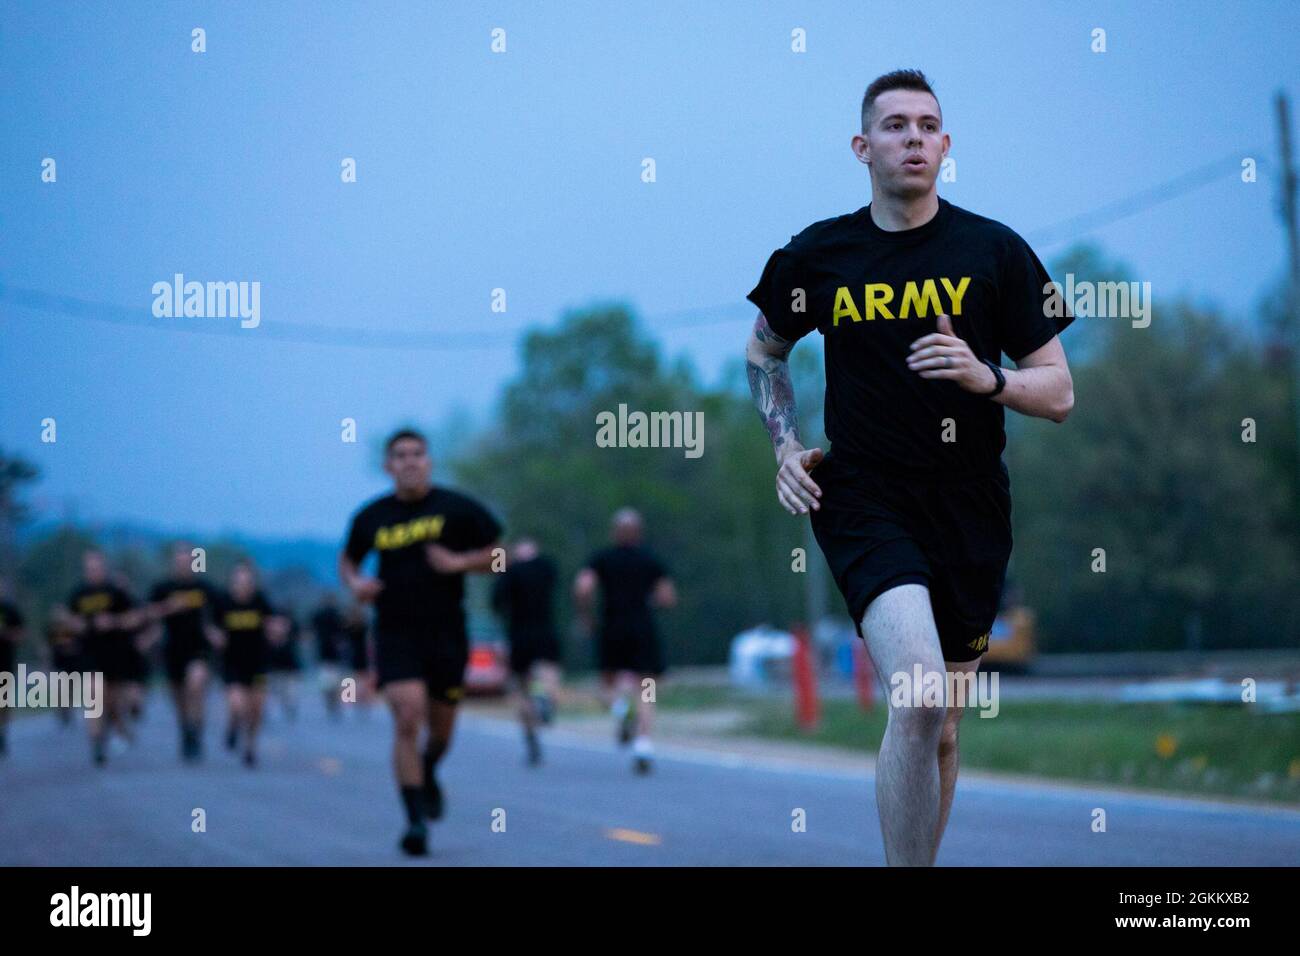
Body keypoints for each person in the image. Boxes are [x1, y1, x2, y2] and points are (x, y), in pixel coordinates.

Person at [743, 69, 1073, 865]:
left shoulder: (996, 249)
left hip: (968, 507)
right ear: (864, 147)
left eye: (928, 125)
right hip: (863, 495)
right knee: (921, 697)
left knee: (944, 724)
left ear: (947, 146)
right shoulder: (819, 254)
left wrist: (983, 377)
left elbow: (1059, 390)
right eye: (895, 126)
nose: (913, 138)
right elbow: (764, 350)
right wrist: (784, 444)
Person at [339, 428, 503, 856]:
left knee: (442, 733)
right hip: (395, 632)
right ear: (388, 467)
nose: (410, 462)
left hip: (447, 633)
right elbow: (348, 559)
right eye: (400, 456)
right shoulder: (371, 517)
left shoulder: (457, 508)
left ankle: (429, 769)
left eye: (417, 454)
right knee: (407, 718)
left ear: (429, 462)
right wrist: (356, 583)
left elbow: (500, 556)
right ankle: (415, 823)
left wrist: (460, 562)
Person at [574, 508, 676, 775]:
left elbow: (583, 588)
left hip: (612, 627)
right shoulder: (650, 560)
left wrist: (586, 616)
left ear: (614, 532)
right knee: (647, 687)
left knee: (608, 683)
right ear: (639, 533)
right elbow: (667, 597)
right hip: (642, 627)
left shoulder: (602, 559)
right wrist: (649, 603)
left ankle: (620, 710)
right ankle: (643, 744)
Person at [56, 550, 143, 765]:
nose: (93, 572)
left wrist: (113, 621)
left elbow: (135, 618)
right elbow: (67, 620)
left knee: (111, 703)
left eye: (97, 567)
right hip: (88, 654)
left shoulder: (116, 592)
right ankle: (96, 743)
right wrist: (74, 625)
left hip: (114, 654)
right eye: (89, 568)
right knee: (94, 695)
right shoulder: (78, 594)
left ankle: (113, 729)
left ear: (104, 568)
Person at [490, 537, 562, 766]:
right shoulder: (547, 566)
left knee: (521, 689)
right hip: (545, 629)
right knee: (548, 671)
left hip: (518, 634)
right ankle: (546, 699)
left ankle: (531, 738)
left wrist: (501, 561)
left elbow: (496, 602)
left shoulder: (509, 571)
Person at [211, 561, 288, 768]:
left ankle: (250, 747)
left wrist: (278, 629)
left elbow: (274, 622)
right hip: (232, 662)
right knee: (238, 705)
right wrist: (215, 636)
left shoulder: (260, 601)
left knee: (257, 708)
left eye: (247, 581)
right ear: (232, 582)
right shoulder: (224, 602)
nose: (243, 585)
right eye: (239, 581)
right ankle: (233, 727)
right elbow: (211, 625)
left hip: (258, 662)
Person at [147, 542, 219, 761]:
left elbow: (221, 611)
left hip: (198, 649)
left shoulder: (204, 588)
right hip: (172, 649)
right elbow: (146, 614)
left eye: (188, 561)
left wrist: (215, 632)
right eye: (179, 561)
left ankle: (196, 730)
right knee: (179, 698)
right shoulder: (163, 589)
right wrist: (170, 606)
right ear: (173, 563)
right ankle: (186, 730)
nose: (184, 565)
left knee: (195, 685)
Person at [309, 593, 347, 719]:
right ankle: (333, 703)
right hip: (328, 655)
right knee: (331, 683)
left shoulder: (327, 615)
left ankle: (332, 703)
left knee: (330, 683)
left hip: (328, 655)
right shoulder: (333, 615)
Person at [0, 580, 25, 757]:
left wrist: (7, 634)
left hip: (5, 661)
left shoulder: (10, 609)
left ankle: (2, 732)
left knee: (3, 701)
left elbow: (21, 633)